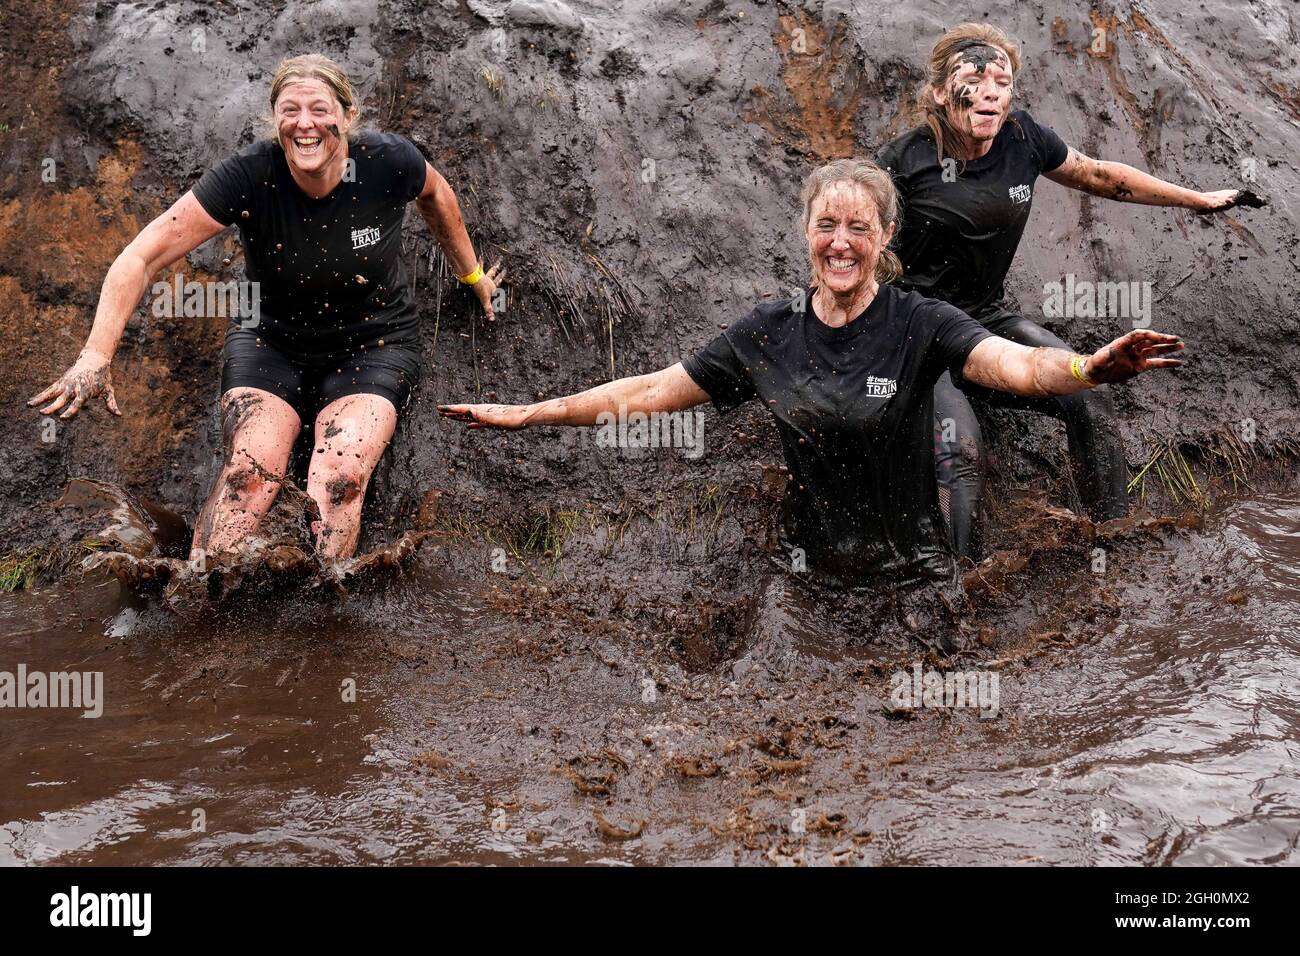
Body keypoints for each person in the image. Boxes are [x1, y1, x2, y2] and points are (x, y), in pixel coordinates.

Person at [439, 159, 1181, 645]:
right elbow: (648, 391)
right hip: (806, 574)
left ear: (886, 236)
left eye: (859, 227)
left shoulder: (921, 322)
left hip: (915, 573)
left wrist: (1087, 367)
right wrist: (532, 413)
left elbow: (1017, 368)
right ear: (806, 232)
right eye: (827, 225)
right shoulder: (767, 332)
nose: (841, 242)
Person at [28, 53, 502, 563]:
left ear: (346, 114)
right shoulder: (249, 175)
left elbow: (437, 196)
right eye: (290, 109)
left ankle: (323, 609)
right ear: (275, 118)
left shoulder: (389, 162)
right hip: (270, 342)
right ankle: (201, 601)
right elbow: (141, 256)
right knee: (248, 477)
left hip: (374, 343)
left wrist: (472, 276)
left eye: (319, 109)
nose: (305, 124)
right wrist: (96, 355)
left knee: (340, 476)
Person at [877, 23, 1262, 558]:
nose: (991, 92)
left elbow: (1101, 176)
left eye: (1003, 81)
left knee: (1091, 398)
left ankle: (1114, 547)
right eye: (975, 79)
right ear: (942, 91)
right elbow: (853, 248)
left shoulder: (1024, 137)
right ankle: (956, 587)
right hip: (919, 334)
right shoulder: (902, 161)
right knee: (960, 447)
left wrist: (1195, 199)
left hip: (988, 320)